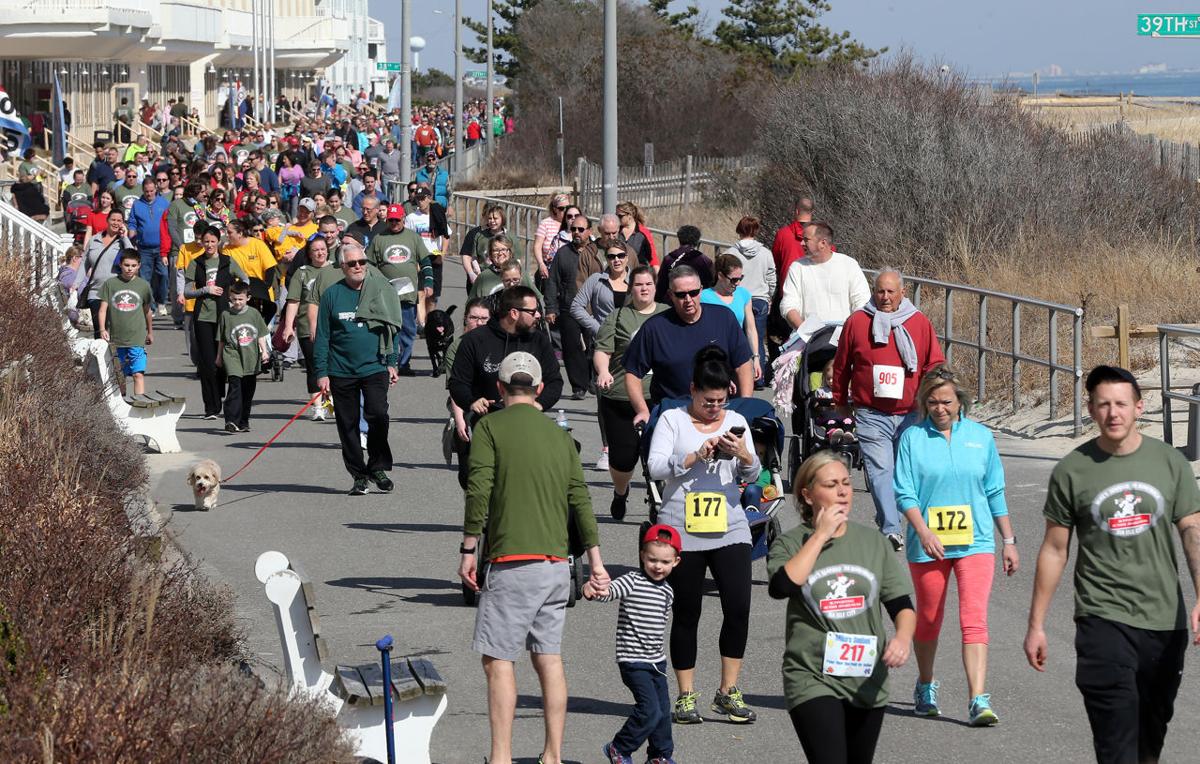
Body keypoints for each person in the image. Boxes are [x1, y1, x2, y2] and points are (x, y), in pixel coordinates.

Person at [1024, 365, 1200, 764]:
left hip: (1163, 623)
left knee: (1148, 744)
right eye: (1103, 404)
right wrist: (1036, 624)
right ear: (1090, 409)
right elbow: (1054, 548)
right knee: (1116, 744)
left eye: (1121, 404)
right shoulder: (1073, 470)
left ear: (1140, 407)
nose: (1113, 413)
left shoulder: (1169, 462)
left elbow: (1193, 530)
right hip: (1101, 618)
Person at [458, 351, 609, 764]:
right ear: (540, 390)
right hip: (557, 565)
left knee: (498, 660)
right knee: (548, 656)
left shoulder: (489, 426)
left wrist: (469, 548)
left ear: (500, 388)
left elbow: (479, 490)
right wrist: (595, 561)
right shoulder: (560, 435)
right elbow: (579, 496)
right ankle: (553, 755)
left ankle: (501, 757)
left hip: (511, 563)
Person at [767, 451, 916, 764]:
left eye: (846, 483)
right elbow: (782, 587)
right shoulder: (791, 543)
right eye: (831, 484)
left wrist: (903, 638)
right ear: (807, 495)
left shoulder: (873, 543)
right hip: (811, 675)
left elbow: (900, 602)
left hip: (867, 677)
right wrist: (820, 535)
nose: (843, 491)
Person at [893, 365, 1018, 726]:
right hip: (928, 543)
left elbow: (994, 490)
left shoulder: (981, 436)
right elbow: (905, 493)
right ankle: (926, 683)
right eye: (932, 402)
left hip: (976, 540)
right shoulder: (912, 439)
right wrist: (924, 530)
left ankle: (978, 698)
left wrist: (1008, 540)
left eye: (946, 401)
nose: (939, 408)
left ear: (960, 402)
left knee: (974, 619)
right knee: (930, 619)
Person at [646, 347, 762, 725]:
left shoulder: (736, 419)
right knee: (687, 612)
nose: (714, 408)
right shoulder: (672, 419)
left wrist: (744, 455)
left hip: (730, 527)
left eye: (720, 401)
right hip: (683, 528)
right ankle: (685, 694)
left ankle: (728, 691)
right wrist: (694, 456)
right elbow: (655, 466)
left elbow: (751, 477)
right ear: (692, 390)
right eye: (707, 400)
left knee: (739, 608)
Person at [829, 268, 945, 551]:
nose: (885, 297)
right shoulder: (857, 322)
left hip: (911, 413)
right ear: (873, 291)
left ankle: (906, 520)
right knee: (881, 470)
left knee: (907, 473)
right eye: (880, 291)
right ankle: (892, 529)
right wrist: (840, 399)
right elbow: (842, 365)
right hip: (871, 412)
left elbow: (934, 364)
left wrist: (932, 396)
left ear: (902, 293)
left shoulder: (918, 323)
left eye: (891, 291)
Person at [313, 241, 404, 496]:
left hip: (375, 366)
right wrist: (321, 373)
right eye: (352, 263)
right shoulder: (332, 294)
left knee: (378, 415)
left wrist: (392, 362)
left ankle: (377, 466)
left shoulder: (380, 289)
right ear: (342, 266)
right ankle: (359, 475)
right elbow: (322, 337)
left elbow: (392, 328)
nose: (358, 267)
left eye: (362, 262)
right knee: (348, 424)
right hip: (341, 369)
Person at [586, 524, 680, 764]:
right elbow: (609, 591)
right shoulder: (632, 580)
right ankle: (619, 747)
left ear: (675, 562)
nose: (658, 566)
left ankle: (660, 755)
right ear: (642, 556)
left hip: (657, 662)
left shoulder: (668, 591)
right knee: (649, 710)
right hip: (632, 660)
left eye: (665, 562)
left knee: (662, 713)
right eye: (652, 560)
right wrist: (593, 590)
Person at [623, 265, 754, 427]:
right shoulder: (654, 328)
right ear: (670, 295)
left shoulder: (723, 318)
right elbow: (632, 374)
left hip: (719, 414)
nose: (688, 299)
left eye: (693, 293)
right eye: (681, 295)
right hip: (673, 417)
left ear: (701, 290)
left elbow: (744, 364)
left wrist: (745, 404)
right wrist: (643, 410)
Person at [595, 265, 669, 520]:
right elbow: (602, 351)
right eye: (639, 284)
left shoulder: (668, 315)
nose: (644, 289)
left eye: (648, 284)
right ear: (631, 288)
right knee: (624, 458)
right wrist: (603, 371)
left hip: (659, 397)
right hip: (621, 397)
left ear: (655, 286)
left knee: (660, 455)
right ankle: (620, 491)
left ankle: (658, 498)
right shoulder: (617, 316)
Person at [449, 285, 563, 416]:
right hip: (486, 420)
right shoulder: (474, 340)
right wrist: (472, 402)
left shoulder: (539, 341)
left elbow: (554, 382)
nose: (537, 315)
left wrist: (540, 404)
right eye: (532, 312)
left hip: (527, 419)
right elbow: (458, 383)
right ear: (514, 313)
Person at [184, 226, 250, 419]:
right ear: (201, 242)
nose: (210, 245)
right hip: (203, 317)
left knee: (223, 361)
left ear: (218, 242)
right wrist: (205, 290)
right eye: (206, 241)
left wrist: (234, 296)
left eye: (213, 241)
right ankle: (211, 407)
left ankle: (223, 397)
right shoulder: (196, 263)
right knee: (207, 363)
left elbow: (244, 280)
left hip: (224, 316)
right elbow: (187, 291)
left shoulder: (227, 261)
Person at [365, 203, 433, 376]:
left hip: (408, 293)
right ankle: (386, 361)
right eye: (391, 220)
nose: (394, 223)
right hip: (385, 293)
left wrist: (429, 283)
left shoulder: (413, 237)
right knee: (385, 327)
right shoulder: (379, 238)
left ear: (403, 219)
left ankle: (404, 363)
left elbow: (425, 261)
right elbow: (370, 264)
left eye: (397, 220)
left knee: (408, 329)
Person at [545, 213, 602, 399]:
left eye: (580, 229)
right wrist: (551, 308)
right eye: (573, 229)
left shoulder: (597, 252)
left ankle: (594, 378)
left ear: (589, 231)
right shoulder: (563, 254)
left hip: (593, 309)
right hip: (568, 306)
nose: (576, 233)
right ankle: (579, 386)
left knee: (595, 345)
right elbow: (552, 281)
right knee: (571, 347)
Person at [282, 236, 335, 416]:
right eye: (315, 250)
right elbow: (293, 301)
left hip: (335, 327)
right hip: (307, 327)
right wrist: (289, 326)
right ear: (309, 253)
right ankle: (318, 406)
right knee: (314, 366)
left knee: (334, 365)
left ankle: (331, 402)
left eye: (323, 249)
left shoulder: (337, 269)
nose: (320, 253)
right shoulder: (302, 272)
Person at [780, 222, 870, 328]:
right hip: (809, 339)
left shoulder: (848, 264)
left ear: (823, 243)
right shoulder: (797, 267)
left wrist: (851, 331)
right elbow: (788, 304)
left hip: (842, 337)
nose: (802, 244)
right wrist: (804, 332)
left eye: (806, 240)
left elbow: (862, 301)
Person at [725, 216, 776, 386]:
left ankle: (739, 376)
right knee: (757, 338)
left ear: (739, 230)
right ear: (756, 231)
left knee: (736, 338)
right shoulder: (765, 253)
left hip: (737, 297)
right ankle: (758, 377)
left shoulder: (730, 253)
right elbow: (771, 278)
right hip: (760, 299)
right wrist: (769, 296)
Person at [215, 280, 270, 434]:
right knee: (235, 386)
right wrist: (219, 357)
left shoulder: (254, 314)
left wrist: (264, 351)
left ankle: (243, 421)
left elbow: (260, 334)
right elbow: (222, 339)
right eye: (234, 299)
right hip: (231, 354)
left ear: (248, 298)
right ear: (229, 298)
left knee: (247, 391)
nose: (237, 302)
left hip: (251, 356)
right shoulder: (226, 315)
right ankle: (231, 420)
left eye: (240, 299)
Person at [98, 250, 154, 395]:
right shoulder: (110, 284)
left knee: (138, 374)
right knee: (119, 376)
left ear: (139, 266)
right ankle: (122, 404)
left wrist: (150, 332)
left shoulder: (143, 285)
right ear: (120, 265)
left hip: (137, 337)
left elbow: (147, 311)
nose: (130, 268)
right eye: (126, 265)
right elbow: (103, 309)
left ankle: (140, 406)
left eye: (133, 265)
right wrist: (102, 329)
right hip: (117, 339)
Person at [700, 253, 761, 385]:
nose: (737, 283)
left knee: (744, 401)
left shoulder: (743, 294)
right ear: (720, 276)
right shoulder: (703, 297)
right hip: (715, 358)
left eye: (740, 278)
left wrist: (756, 357)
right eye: (733, 280)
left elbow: (750, 329)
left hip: (739, 354)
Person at [73, 210, 133, 337]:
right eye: (113, 220)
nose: (116, 223)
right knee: (99, 331)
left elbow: (133, 258)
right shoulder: (94, 240)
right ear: (107, 220)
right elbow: (85, 263)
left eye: (119, 220)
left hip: (117, 292)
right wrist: (76, 283)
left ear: (123, 223)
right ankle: (101, 356)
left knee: (118, 330)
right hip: (96, 292)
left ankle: (117, 356)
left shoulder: (122, 242)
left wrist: (125, 237)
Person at [129, 177, 171, 314]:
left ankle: (161, 302)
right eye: (146, 191)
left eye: (152, 191)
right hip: (144, 248)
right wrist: (131, 238)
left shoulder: (164, 203)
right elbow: (132, 223)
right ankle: (150, 306)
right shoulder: (137, 204)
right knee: (145, 278)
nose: (149, 194)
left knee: (163, 275)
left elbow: (169, 223)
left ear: (156, 190)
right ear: (143, 190)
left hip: (161, 248)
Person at [404, 186, 449, 313]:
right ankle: (421, 322)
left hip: (435, 257)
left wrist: (443, 255)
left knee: (433, 295)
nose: (420, 202)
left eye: (422, 199)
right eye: (417, 199)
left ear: (429, 198)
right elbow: (408, 239)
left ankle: (429, 321)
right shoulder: (411, 218)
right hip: (419, 258)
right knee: (420, 292)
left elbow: (446, 235)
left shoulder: (438, 214)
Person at [654, 226, 713, 303]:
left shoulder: (669, 259)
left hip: (672, 303)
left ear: (679, 238)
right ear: (697, 240)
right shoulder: (704, 260)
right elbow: (710, 284)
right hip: (698, 302)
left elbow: (661, 286)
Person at [771, 197, 814, 294]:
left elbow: (775, 262)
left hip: (787, 288)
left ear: (797, 211)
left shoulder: (782, 234)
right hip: (812, 291)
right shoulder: (819, 235)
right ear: (812, 212)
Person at [460, 204, 506, 283]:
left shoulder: (505, 235)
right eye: (489, 217)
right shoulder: (475, 234)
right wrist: (471, 273)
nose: (491, 221)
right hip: (478, 277)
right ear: (483, 215)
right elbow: (466, 256)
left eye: (495, 218)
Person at [533, 193, 571, 282]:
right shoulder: (545, 224)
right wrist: (541, 264)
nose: (565, 211)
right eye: (561, 208)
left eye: (568, 208)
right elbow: (537, 246)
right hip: (549, 269)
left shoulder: (572, 224)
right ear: (555, 209)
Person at [616, 200, 657, 269]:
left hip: (638, 273)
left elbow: (653, 259)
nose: (617, 218)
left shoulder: (644, 232)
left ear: (630, 215)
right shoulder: (616, 230)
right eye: (616, 215)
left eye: (620, 216)